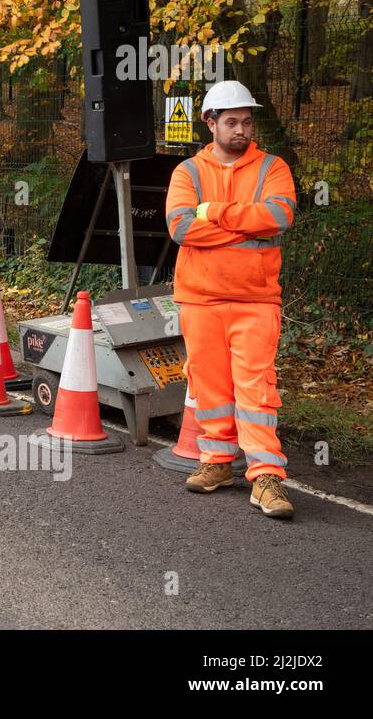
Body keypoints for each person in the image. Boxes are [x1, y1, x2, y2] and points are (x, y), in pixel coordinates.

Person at [165, 79, 298, 519]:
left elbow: (279, 216)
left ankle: (265, 477)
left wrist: (216, 212)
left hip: (256, 301)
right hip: (200, 299)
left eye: (246, 121)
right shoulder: (187, 172)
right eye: (232, 122)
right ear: (210, 123)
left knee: (256, 389)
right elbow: (181, 228)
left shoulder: (271, 168)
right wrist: (246, 223)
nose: (241, 130)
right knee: (210, 386)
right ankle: (218, 462)